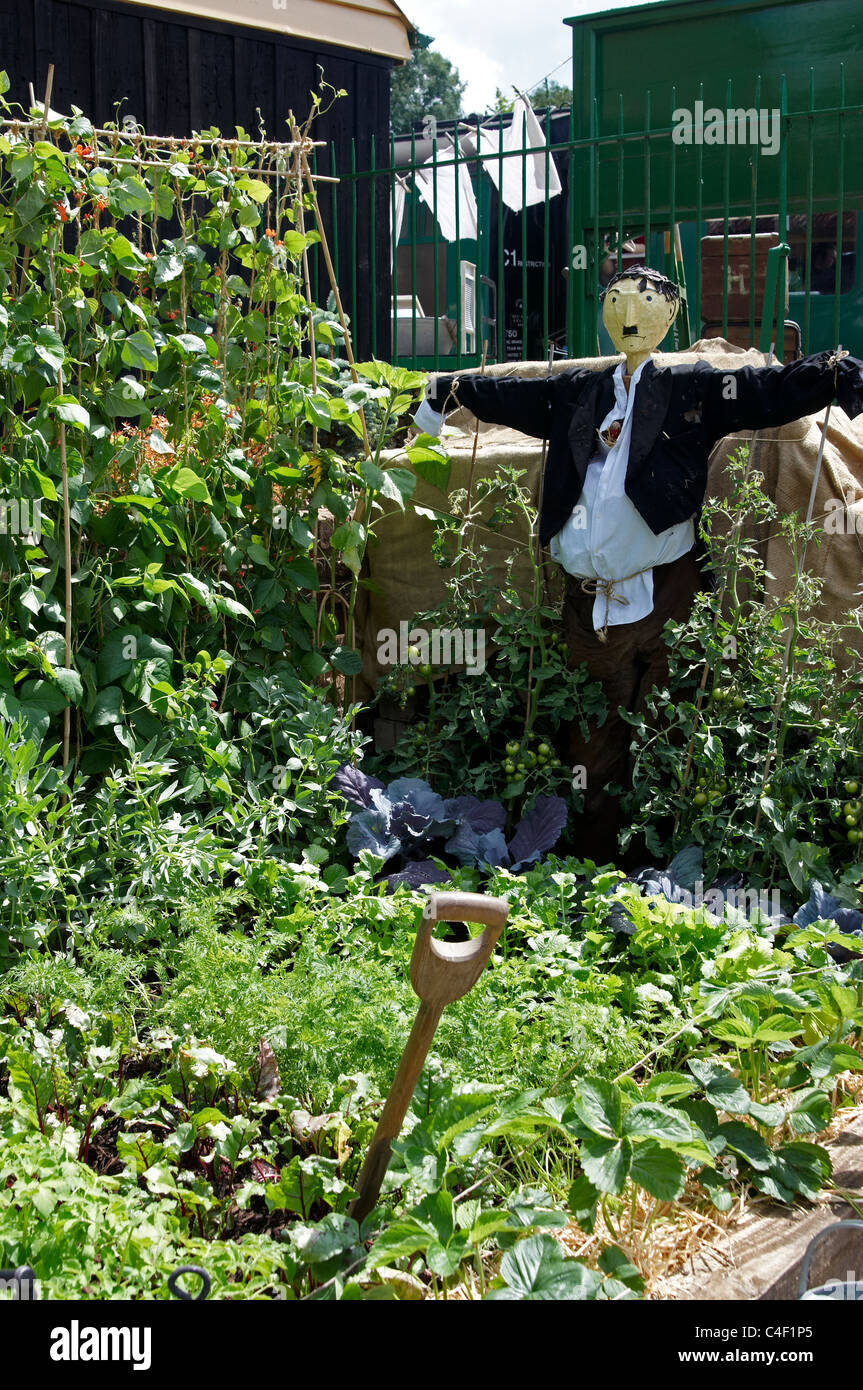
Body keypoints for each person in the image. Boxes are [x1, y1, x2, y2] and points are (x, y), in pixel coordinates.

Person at [414, 266, 863, 859]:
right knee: (591, 742)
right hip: (591, 604)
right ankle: (597, 867)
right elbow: (513, 395)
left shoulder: (691, 390)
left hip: (668, 595)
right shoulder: (578, 390)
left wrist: (830, 373)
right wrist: (452, 389)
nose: (630, 310)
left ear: (670, 312)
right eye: (618, 298)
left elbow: (762, 391)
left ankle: (663, 866)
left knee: (669, 731)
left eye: (647, 299)